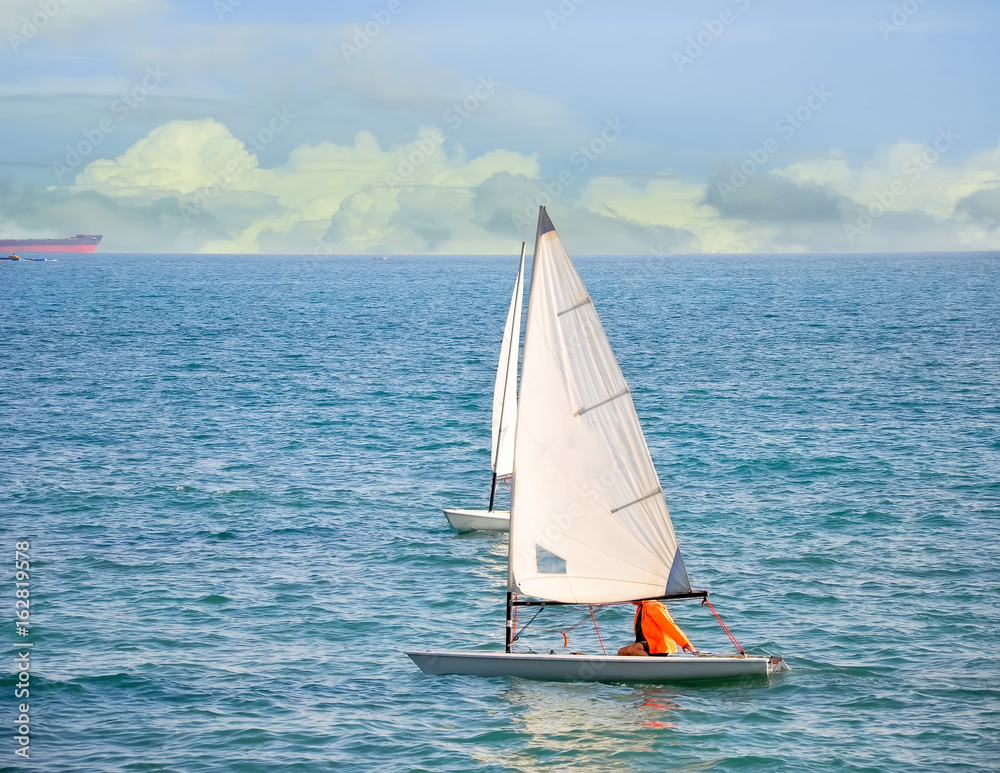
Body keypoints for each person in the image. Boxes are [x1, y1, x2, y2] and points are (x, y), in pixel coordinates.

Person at [618, 599, 696, 656]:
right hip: (648, 645)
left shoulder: (653, 606)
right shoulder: (641, 607)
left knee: (634, 649)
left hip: (658, 646)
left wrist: (684, 642)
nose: (630, 599)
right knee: (622, 652)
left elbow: (669, 625)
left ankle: (651, 669)